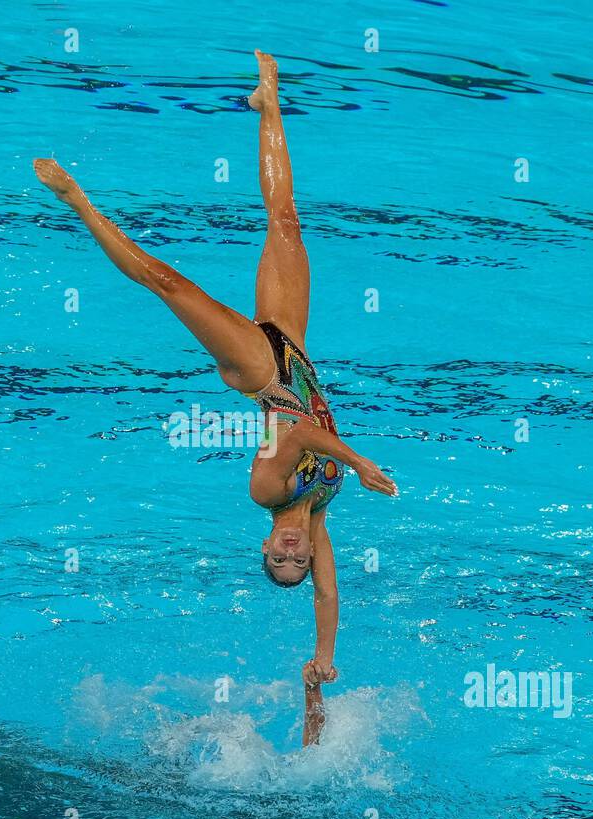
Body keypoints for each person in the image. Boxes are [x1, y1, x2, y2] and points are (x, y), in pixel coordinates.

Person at [33, 51, 396, 744]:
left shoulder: (268, 493)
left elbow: (302, 439)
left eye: (277, 559)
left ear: (263, 547)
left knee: (170, 286)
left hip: (262, 372)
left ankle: (78, 199)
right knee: (286, 220)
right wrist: (321, 665)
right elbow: (329, 596)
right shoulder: (317, 516)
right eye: (297, 559)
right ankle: (270, 104)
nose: (291, 553)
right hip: (298, 352)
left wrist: (360, 461)